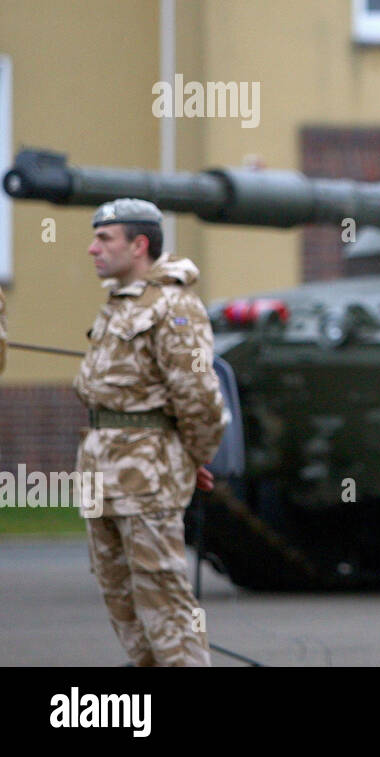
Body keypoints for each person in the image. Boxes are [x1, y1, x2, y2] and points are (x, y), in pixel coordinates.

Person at [75, 198, 228, 665]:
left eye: (105, 238)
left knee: (166, 607)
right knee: (124, 606)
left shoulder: (175, 307)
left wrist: (191, 458)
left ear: (139, 245)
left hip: (147, 478)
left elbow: (199, 397)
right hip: (103, 475)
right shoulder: (119, 304)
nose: (92, 249)